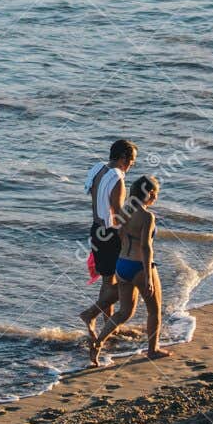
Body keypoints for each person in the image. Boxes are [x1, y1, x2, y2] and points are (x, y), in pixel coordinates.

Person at [90, 175, 171, 364]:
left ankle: (98, 342)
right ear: (150, 193)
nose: (156, 198)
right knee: (154, 311)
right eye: (155, 194)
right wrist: (149, 276)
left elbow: (119, 234)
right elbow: (145, 247)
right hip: (139, 266)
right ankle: (153, 350)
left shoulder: (124, 211)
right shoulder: (147, 216)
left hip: (122, 265)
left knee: (124, 312)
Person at [78, 139, 135, 341]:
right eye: (131, 161)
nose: (131, 166)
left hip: (96, 229)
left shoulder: (97, 169)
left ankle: (107, 326)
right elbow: (118, 212)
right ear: (122, 158)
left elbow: (95, 199)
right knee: (122, 281)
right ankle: (102, 322)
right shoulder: (118, 178)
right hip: (111, 233)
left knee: (107, 280)